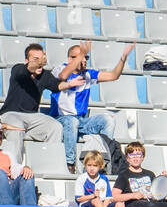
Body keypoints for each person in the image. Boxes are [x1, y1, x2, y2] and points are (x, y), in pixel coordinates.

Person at [50, 41, 134, 173]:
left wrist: (123, 58)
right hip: (60, 119)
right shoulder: (60, 69)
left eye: (86, 57)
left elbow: (113, 76)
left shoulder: (88, 74)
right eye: (81, 57)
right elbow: (62, 76)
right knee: (71, 121)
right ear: (70, 58)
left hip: (81, 120)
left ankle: (104, 160)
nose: (84, 60)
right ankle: (70, 163)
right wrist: (81, 54)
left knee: (108, 120)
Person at [0, 43, 82, 156]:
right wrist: (40, 61)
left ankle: (49, 164)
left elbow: (56, 86)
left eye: (41, 59)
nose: (40, 63)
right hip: (11, 114)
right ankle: (16, 169)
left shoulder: (45, 75)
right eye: (36, 59)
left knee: (55, 127)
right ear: (26, 61)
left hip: (33, 117)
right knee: (17, 128)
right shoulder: (18, 70)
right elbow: (29, 68)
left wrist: (70, 84)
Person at [112, 141, 167, 207]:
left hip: (151, 203)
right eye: (132, 155)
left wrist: (163, 180)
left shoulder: (150, 174)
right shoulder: (124, 175)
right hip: (134, 204)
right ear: (127, 158)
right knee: (148, 205)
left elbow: (157, 194)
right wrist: (133, 195)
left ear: (143, 157)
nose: (135, 158)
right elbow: (113, 196)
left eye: (138, 154)